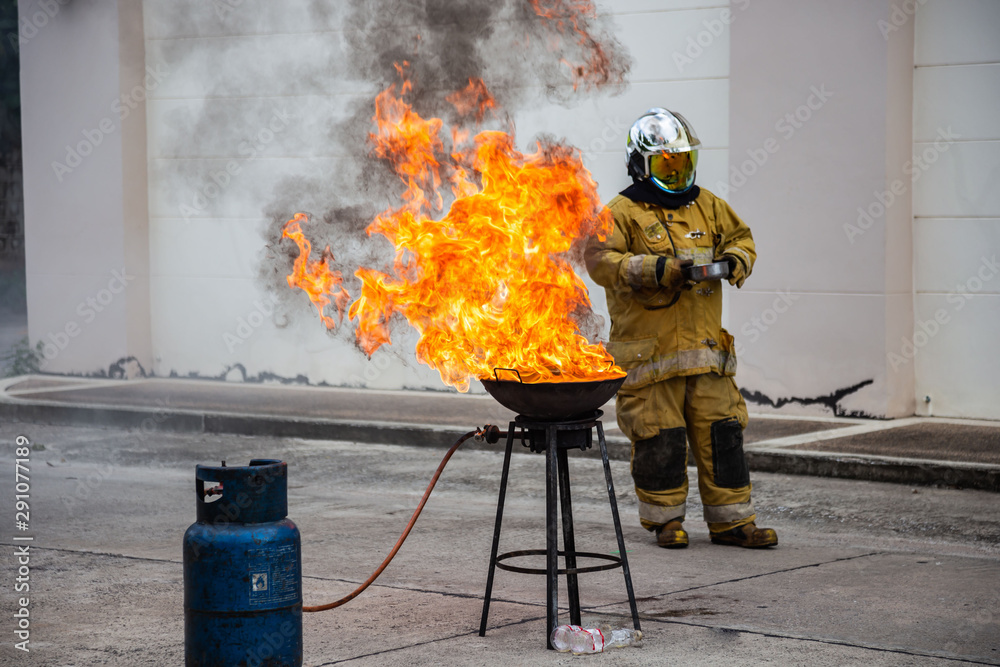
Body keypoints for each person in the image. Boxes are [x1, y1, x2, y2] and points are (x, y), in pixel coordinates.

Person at [585, 107, 777, 549]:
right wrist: (654, 269)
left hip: (707, 356)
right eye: (666, 163)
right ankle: (665, 522)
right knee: (659, 438)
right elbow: (599, 260)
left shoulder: (708, 205)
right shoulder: (620, 211)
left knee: (722, 432)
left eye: (683, 162)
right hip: (650, 358)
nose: (676, 172)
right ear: (641, 164)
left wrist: (731, 262)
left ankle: (733, 522)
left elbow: (742, 239)